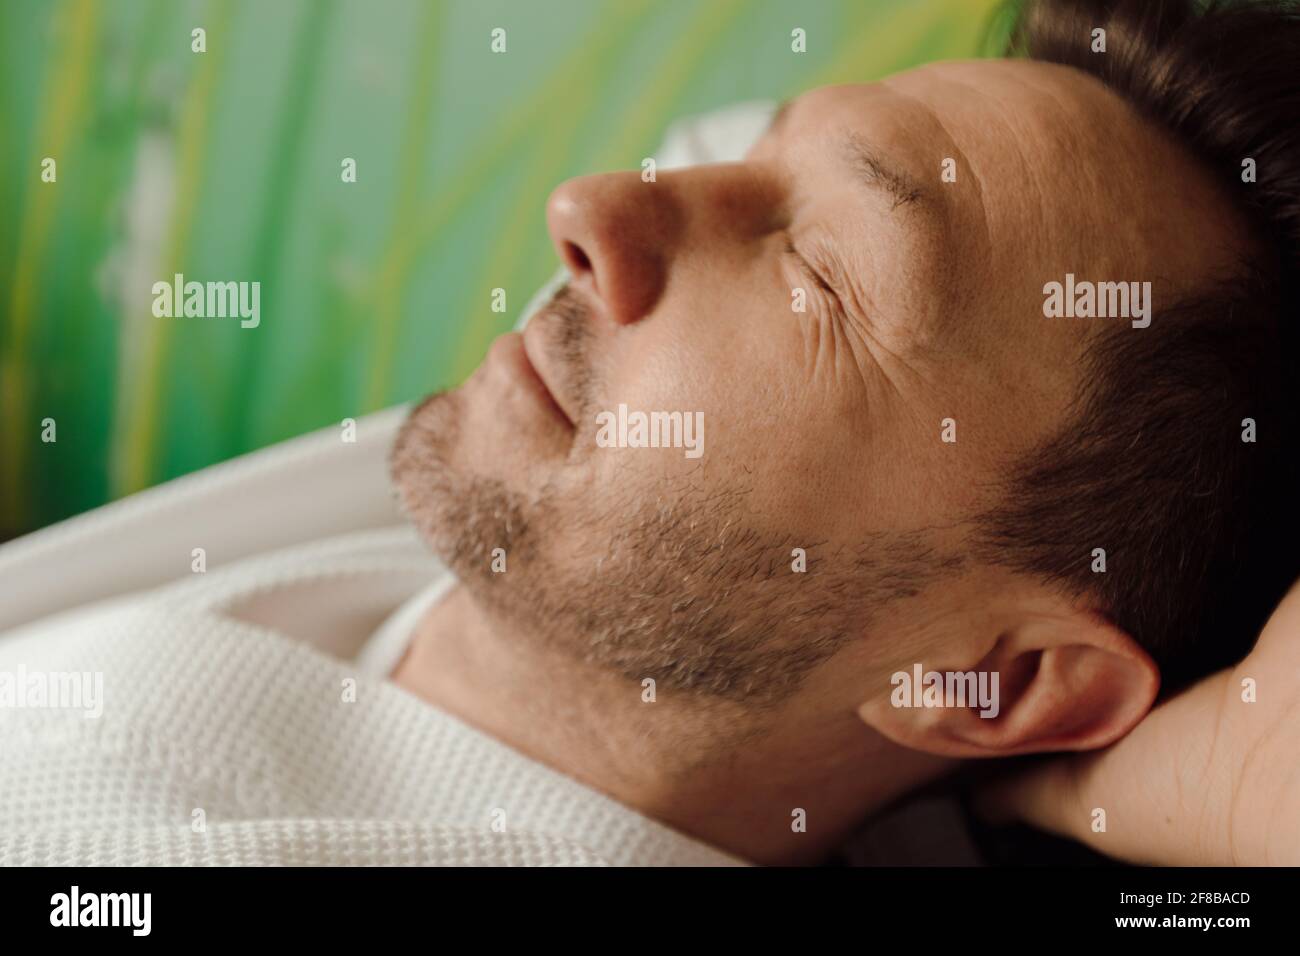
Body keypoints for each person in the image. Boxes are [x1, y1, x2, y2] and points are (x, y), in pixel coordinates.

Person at [1, 0, 1296, 866]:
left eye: (823, 282)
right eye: (774, 149)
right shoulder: (537, 496)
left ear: (999, 682)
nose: (595, 210)